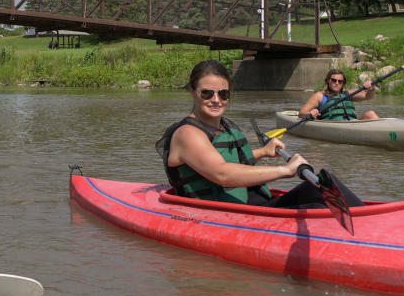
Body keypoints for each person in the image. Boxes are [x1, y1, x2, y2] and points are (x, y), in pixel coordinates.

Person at [157, 59, 361, 209]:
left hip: (255, 204)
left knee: (325, 184)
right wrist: (285, 170)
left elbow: (228, 158)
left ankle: (370, 224)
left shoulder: (225, 125)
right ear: (192, 91)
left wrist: (263, 152)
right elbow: (222, 173)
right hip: (227, 215)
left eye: (224, 93)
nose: (216, 99)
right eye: (207, 93)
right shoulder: (188, 134)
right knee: (313, 194)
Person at [299, 69, 378, 121]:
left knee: (370, 114)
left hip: (352, 125)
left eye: (340, 81)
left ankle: (388, 136)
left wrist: (371, 89)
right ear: (327, 81)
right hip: (334, 126)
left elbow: (367, 96)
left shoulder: (348, 94)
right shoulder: (320, 96)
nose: (337, 83)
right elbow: (301, 113)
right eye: (334, 80)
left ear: (343, 83)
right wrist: (311, 114)